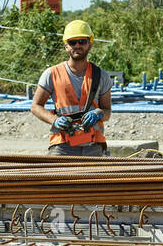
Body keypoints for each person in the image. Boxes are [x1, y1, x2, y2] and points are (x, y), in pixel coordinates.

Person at [31, 20, 112, 155]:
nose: (77, 46)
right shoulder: (52, 74)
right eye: (72, 42)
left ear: (90, 44)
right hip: (62, 145)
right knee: (60, 177)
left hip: (93, 145)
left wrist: (98, 114)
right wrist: (55, 120)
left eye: (82, 41)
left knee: (95, 177)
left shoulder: (101, 76)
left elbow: (107, 111)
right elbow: (35, 106)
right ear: (66, 46)